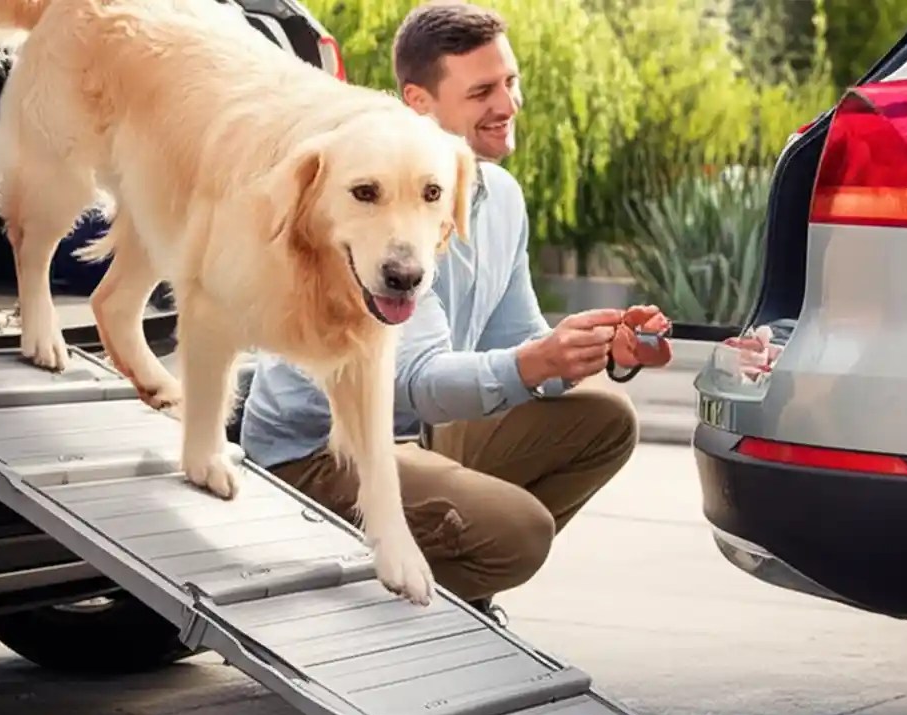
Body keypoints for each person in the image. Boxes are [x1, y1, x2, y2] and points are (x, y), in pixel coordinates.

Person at [238, 0, 673, 626]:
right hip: (321, 449)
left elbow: (516, 343)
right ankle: (396, 605)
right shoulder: (387, 210)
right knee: (520, 534)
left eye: (511, 82)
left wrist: (592, 349)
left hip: (416, 429)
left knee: (605, 420)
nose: (508, 104)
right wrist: (532, 362)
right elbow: (411, 380)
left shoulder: (500, 196)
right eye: (482, 92)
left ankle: (452, 582)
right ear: (419, 103)